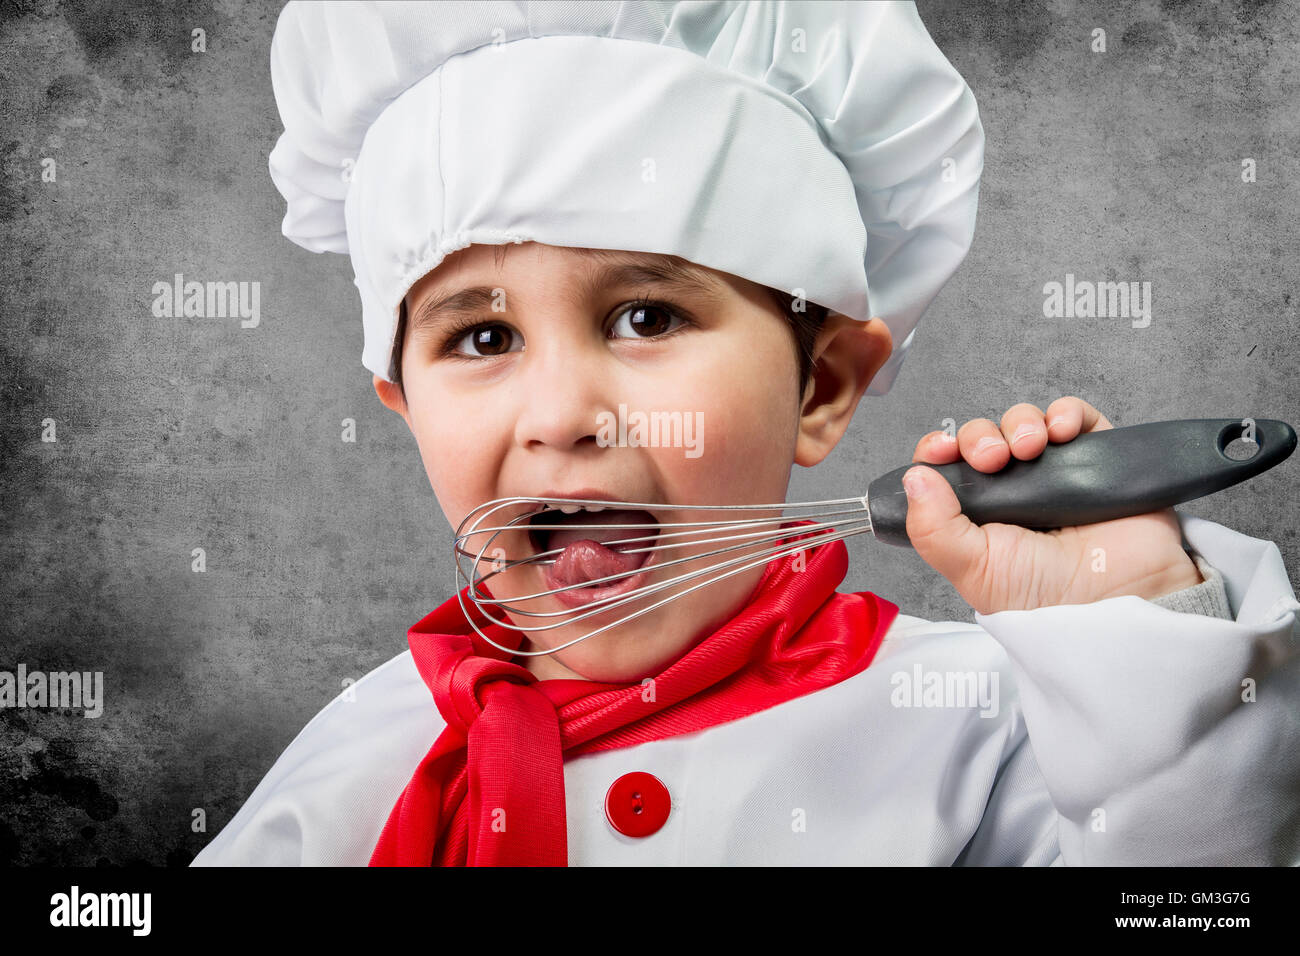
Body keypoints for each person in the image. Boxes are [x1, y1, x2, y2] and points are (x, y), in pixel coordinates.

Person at [192, 1, 1300, 866]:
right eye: (480, 337)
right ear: (402, 400)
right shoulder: (359, 756)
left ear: (821, 384)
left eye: (646, 316)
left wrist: (1152, 638)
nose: (562, 413)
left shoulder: (994, 725)